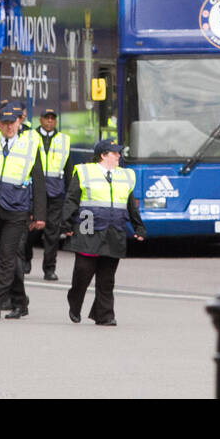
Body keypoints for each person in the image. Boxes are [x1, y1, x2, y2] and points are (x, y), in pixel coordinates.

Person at [61, 139, 146, 325]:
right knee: (84, 271)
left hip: (114, 230)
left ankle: (105, 315)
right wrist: (65, 224)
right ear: (103, 155)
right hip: (88, 227)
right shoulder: (84, 172)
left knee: (107, 278)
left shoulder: (126, 175)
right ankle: (75, 301)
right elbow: (71, 199)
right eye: (114, 153)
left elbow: (130, 204)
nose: (119, 156)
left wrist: (138, 226)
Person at [0, 106, 48, 319]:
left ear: (19, 123)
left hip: (17, 210)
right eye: (4, 122)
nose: (9, 126)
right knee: (9, 257)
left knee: (6, 256)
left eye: (12, 122)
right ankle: (20, 302)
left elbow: (39, 182)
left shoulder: (29, 146)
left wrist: (40, 214)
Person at [22, 109, 71, 280]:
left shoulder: (63, 140)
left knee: (52, 233)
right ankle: (26, 259)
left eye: (53, 118)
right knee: (30, 230)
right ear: (40, 119)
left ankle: (49, 268)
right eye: (46, 118)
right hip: (33, 192)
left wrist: (70, 195)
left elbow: (68, 168)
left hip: (55, 191)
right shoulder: (29, 137)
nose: (50, 121)